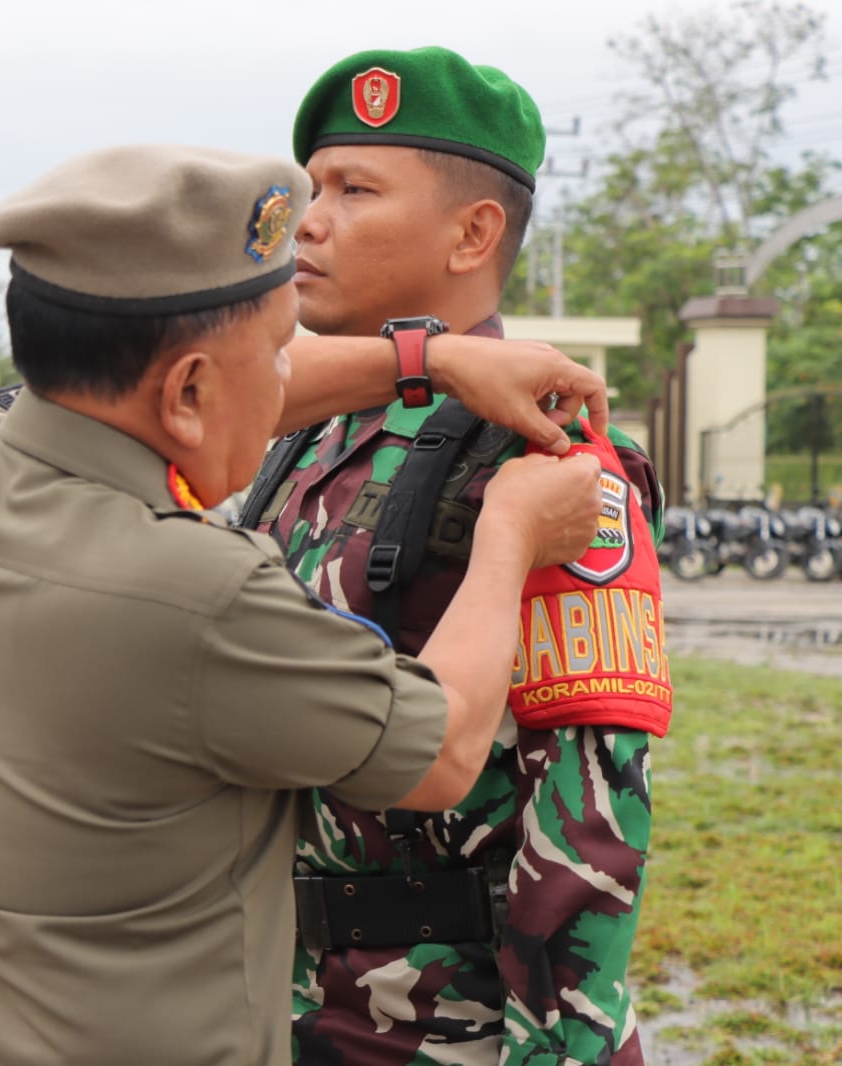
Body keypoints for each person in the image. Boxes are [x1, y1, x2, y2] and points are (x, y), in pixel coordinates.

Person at [0, 143, 607, 1066]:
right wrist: (511, 536)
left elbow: (150, 389)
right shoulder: (198, 595)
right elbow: (448, 749)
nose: (286, 388)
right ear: (187, 391)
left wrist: (434, 362)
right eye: (275, 351)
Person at [251, 47, 670, 1065]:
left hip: (448, 1028)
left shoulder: (549, 456)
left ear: (472, 231)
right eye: (311, 189)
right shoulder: (308, 434)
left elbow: (585, 822)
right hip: (282, 1005)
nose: (308, 220)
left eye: (354, 191)